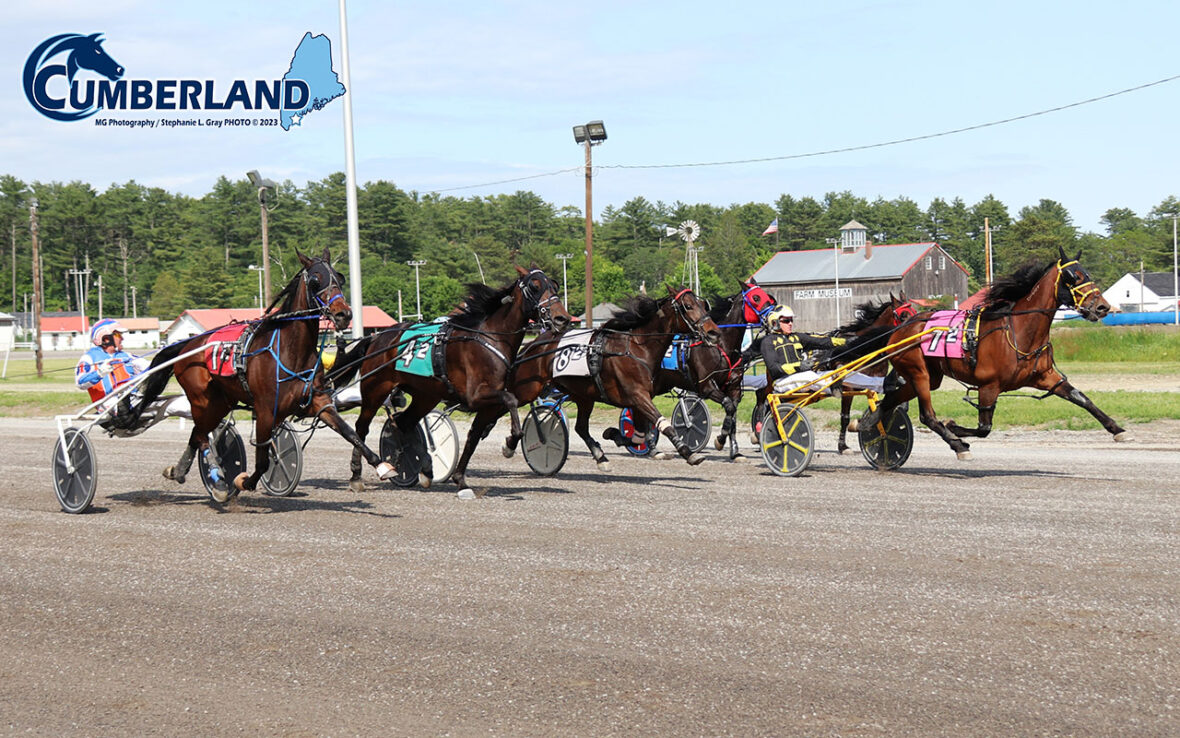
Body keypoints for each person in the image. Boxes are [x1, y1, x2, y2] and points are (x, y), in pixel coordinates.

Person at [748, 305, 890, 395]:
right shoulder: (767, 342)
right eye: (786, 321)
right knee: (811, 376)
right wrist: (799, 366)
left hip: (803, 379)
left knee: (844, 373)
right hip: (782, 382)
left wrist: (848, 341)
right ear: (775, 322)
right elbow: (774, 369)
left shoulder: (797, 337)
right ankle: (834, 385)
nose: (790, 323)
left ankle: (882, 384)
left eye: (791, 320)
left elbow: (823, 342)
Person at [76, 319, 149, 427]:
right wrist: (100, 373)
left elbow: (149, 366)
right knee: (123, 404)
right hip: (108, 403)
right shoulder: (89, 358)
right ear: (106, 339)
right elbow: (80, 383)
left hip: (134, 399)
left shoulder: (126, 356)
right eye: (118, 335)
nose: (122, 338)